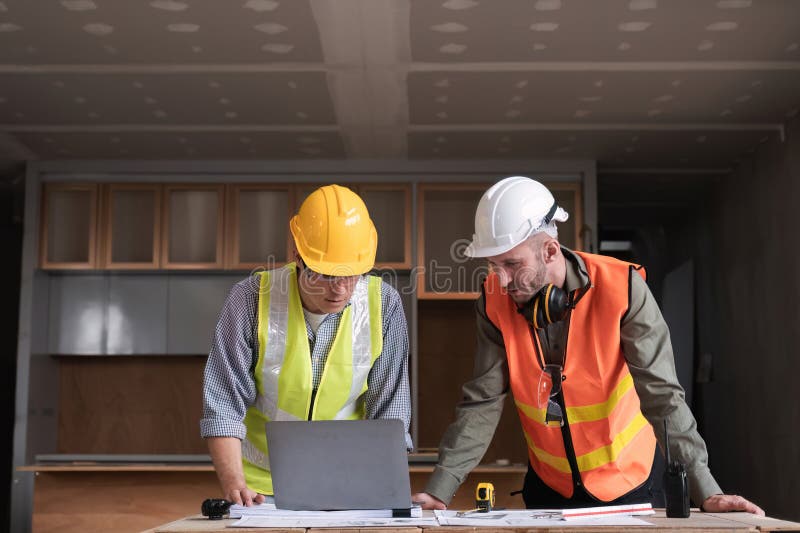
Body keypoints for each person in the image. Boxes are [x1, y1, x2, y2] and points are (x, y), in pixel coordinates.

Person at [413, 176, 763, 515]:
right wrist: (440, 489)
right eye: (493, 265)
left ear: (550, 250)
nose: (501, 279)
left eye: (512, 264)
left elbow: (662, 396)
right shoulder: (493, 303)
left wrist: (706, 490)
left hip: (628, 484)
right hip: (549, 490)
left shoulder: (622, 290)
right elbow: (483, 402)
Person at [201, 184, 411, 506]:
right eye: (326, 274)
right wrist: (234, 485)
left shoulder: (385, 305)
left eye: (352, 275)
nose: (340, 289)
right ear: (298, 257)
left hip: (351, 482)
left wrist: (386, 491)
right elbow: (223, 404)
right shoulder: (250, 300)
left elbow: (390, 412)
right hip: (260, 489)